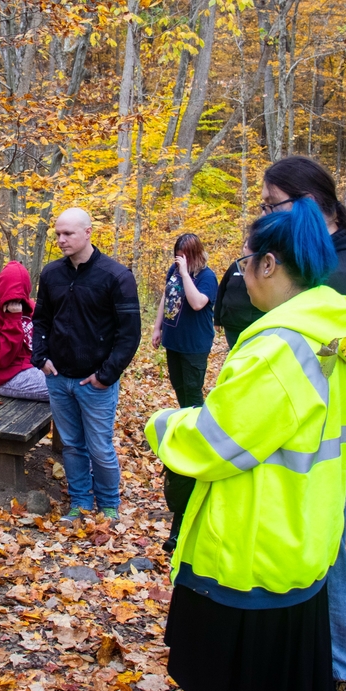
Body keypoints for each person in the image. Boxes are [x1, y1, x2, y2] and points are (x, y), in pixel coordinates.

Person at [146, 198, 346, 691]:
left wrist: (162, 425)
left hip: (250, 558)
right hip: (296, 543)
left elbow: (214, 441)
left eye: (245, 260)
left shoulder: (282, 348)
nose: (241, 272)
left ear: (269, 264)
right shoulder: (327, 333)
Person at [261, 156, 346, 691]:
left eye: (273, 206)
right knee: (321, 545)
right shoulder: (331, 260)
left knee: (321, 549)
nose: (266, 215)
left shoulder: (342, 276)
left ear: (310, 207)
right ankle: (323, 654)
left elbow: (342, 378)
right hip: (336, 438)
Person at [32, 208, 141, 521]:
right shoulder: (52, 274)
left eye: (68, 234)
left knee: (100, 448)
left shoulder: (116, 276)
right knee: (72, 446)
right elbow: (40, 320)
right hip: (58, 377)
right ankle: (80, 503)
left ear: (88, 232)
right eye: (57, 234)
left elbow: (129, 334)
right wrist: (41, 357)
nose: (61, 240)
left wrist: (106, 376)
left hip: (94, 382)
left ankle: (109, 506)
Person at [149, 233, 218, 553]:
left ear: (195, 255)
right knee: (181, 393)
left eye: (184, 255)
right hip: (175, 344)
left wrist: (187, 274)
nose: (179, 259)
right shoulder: (173, 272)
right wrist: (157, 326)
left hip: (194, 347)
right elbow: (167, 296)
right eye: (177, 254)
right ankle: (191, 429)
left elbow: (196, 302)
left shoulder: (206, 277)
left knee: (192, 395)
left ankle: (199, 439)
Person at [0, 261, 48, 400]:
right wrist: (13, 319)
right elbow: (1, 359)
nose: (16, 302)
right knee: (62, 389)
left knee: (77, 380)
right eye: (12, 298)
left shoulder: (27, 305)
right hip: (4, 377)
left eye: (20, 298)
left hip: (33, 364)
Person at [213, 258, 264, 348]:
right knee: (235, 351)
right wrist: (217, 319)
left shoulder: (262, 268)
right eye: (245, 246)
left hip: (252, 325)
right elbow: (221, 290)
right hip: (231, 324)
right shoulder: (235, 266)